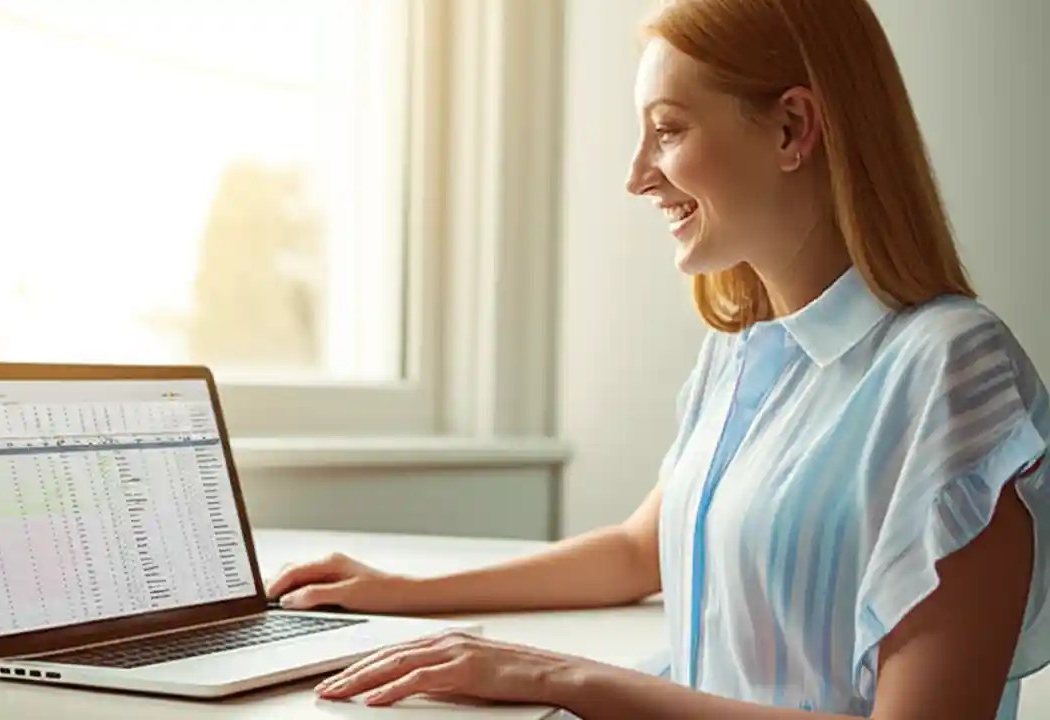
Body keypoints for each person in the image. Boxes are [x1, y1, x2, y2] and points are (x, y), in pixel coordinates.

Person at [266, 0, 1050, 717]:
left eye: (668, 130)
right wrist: (402, 594)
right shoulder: (739, 354)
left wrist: (561, 676)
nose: (638, 174)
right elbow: (639, 551)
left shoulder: (951, 370)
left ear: (791, 129)